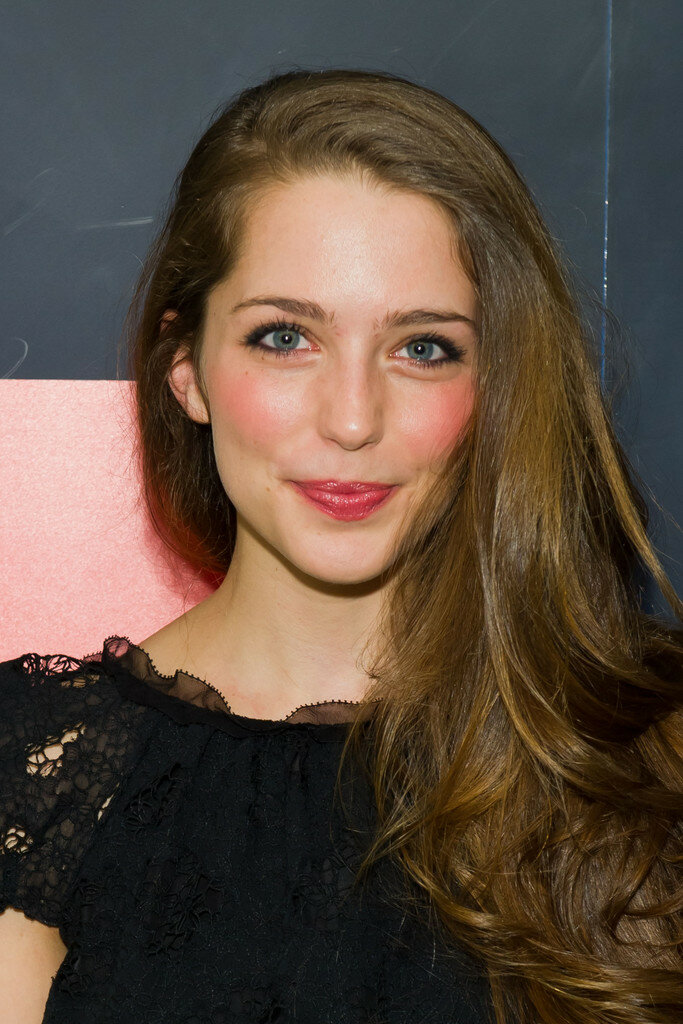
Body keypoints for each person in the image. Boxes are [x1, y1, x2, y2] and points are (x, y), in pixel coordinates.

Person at [0, 67, 681, 1024]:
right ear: (186, 369)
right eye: (285, 338)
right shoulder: (32, 772)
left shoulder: (647, 753)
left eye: (423, 347)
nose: (353, 419)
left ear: (495, 386)